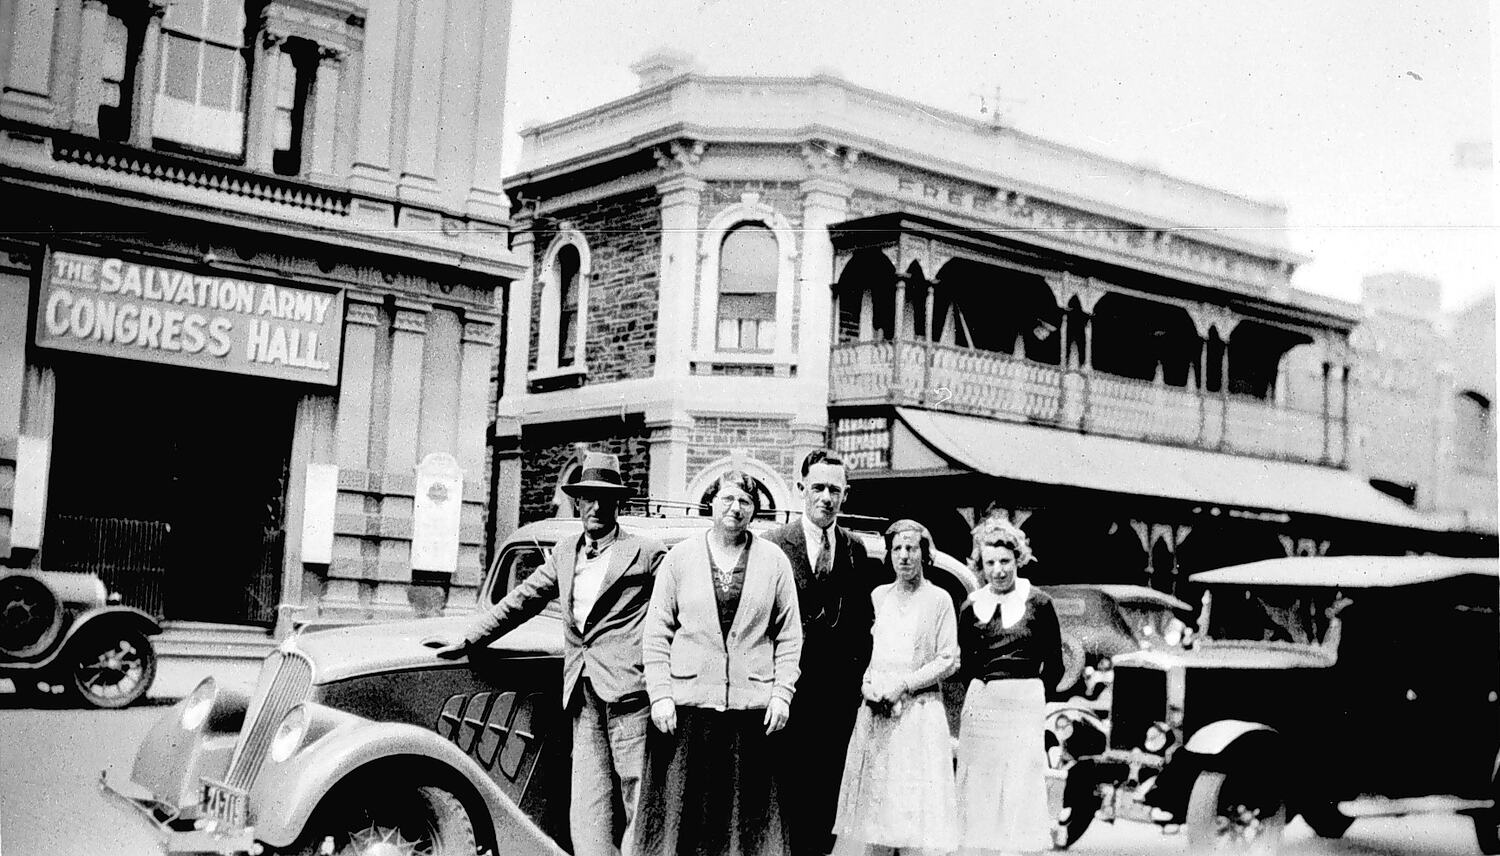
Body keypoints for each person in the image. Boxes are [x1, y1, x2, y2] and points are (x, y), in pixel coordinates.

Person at [435, 452, 666, 856]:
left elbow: (676, 609)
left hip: (631, 696)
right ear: (577, 502)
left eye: (605, 498)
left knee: (640, 803)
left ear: (618, 505)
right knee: (588, 810)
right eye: (587, 497)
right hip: (584, 697)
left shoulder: (647, 553)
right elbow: (521, 600)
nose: (595, 506)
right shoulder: (563, 552)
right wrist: (470, 639)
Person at [632, 469, 803, 856]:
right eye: (727, 498)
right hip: (687, 713)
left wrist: (781, 694)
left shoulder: (774, 561)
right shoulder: (680, 558)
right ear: (711, 503)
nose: (735, 508)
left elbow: (790, 635)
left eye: (745, 501)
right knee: (684, 821)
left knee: (744, 825)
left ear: (754, 510)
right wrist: (660, 694)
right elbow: (656, 631)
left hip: (750, 716)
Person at [763, 450, 877, 856]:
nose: (826, 498)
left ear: (846, 495)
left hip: (836, 703)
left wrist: (854, 685)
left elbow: (864, 625)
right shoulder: (774, 546)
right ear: (801, 490)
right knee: (784, 796)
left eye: (835, 490)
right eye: (818, 488)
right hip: (787, 697)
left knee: (826, 799)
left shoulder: (855, 549)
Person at [832, 519, 961, 856]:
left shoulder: (939, 599)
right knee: (878, 809)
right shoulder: (878, 596)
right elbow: (865, 652)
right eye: (897, 549)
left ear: (924, 554)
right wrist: (869, 686)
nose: (904, 556)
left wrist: (904, 684)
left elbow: (948, 658)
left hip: (918, 713)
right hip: (878, 714)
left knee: (912, 809)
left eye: (911, 549)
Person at [954, 517, 1063, 855]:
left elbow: (1055, 665)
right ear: (980, 566)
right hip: (983, 705)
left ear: (1018, 559)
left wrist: (1029, 693)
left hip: (1023, 704)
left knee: (1018, 782)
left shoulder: (1040, 603)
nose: (998, 570)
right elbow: (967, 666)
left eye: (1005, 561)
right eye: (990, 563)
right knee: (980, 783)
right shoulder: (971, 607)